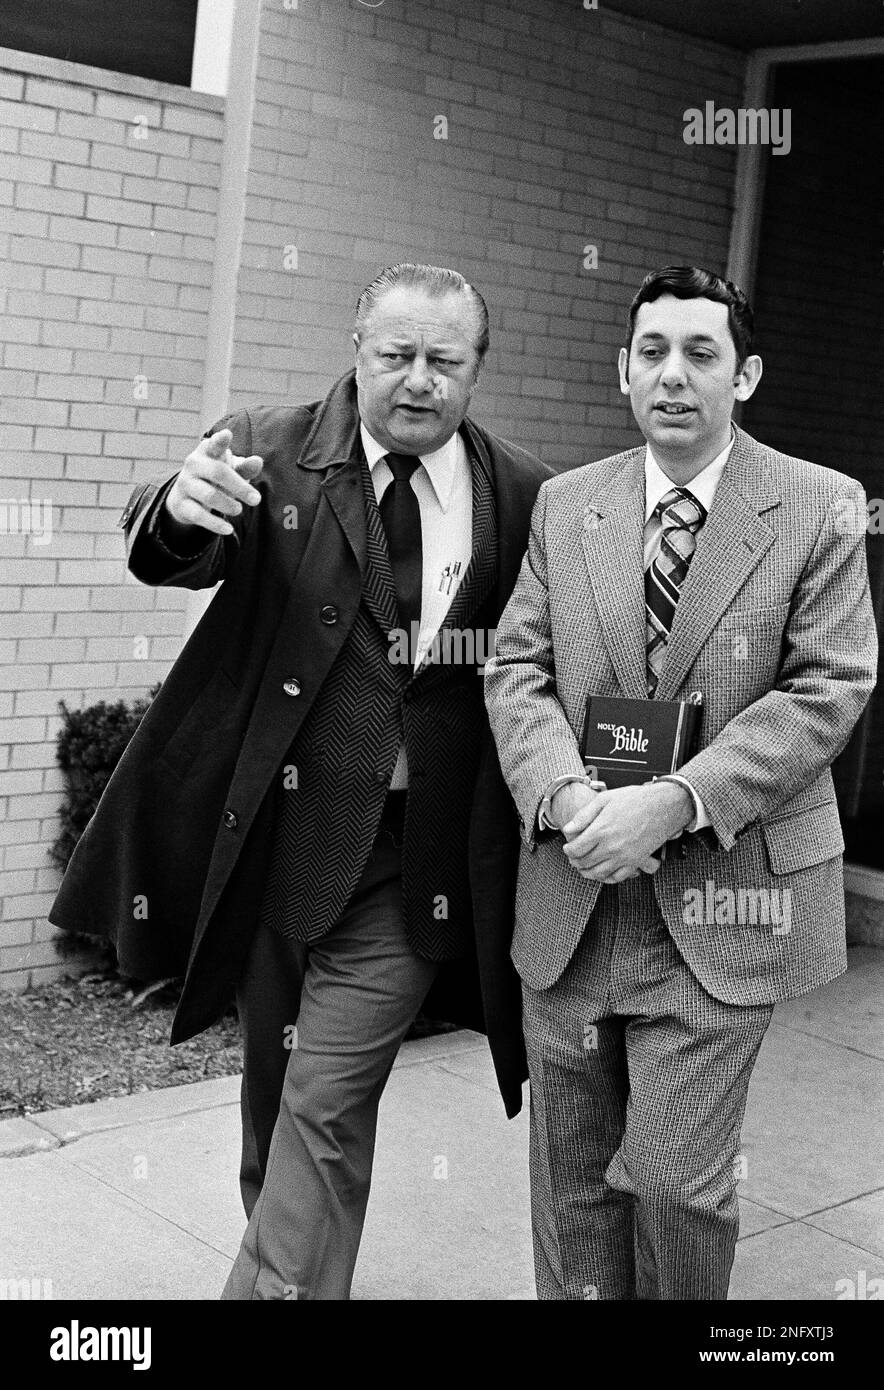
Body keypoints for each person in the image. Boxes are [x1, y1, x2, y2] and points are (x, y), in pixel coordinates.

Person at [50, 262, 551, 1300]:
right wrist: (177, 509)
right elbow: (170, 539)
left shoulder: (522, 494)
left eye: (443, 361)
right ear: (356, 348)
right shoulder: (268, 452)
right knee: (277, 1109)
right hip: (273, 852)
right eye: (395, 355)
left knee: (323, 1106)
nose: (417, 380)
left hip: (413, 867)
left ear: (475, 370)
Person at [483, 265, 877, 1300]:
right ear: (623, 370)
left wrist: (674, 798)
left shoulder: (818, 505)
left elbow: (828, 685)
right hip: (573, 894)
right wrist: (568, 798)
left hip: (721, 896)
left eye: (700, 353)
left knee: (670, 1184)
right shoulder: (567, 506)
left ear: (742, 374)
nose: (672, 374)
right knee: (573, 1194)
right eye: (651, 351)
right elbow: (515, 668)